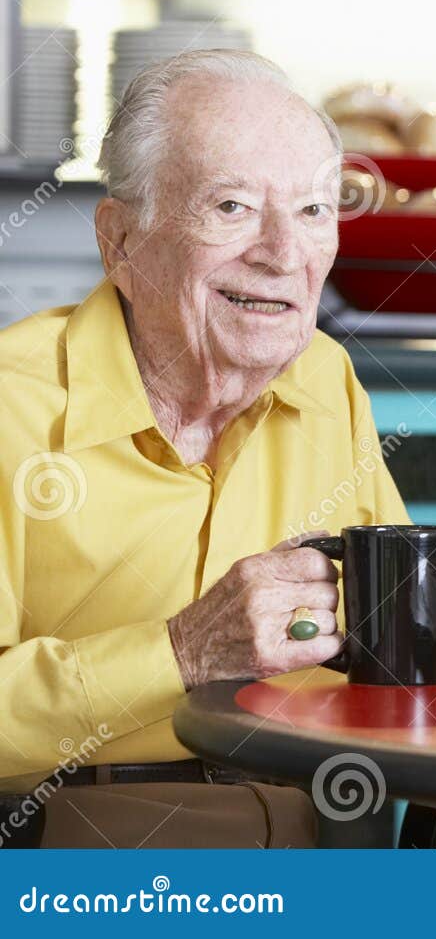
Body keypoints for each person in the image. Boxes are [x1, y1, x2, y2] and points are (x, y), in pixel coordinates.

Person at [0, 50, 408, 847]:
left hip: (328, 823)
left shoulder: (327, 379)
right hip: (88, 837)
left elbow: (396, 636)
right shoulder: (12, 403)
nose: (284, 253)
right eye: (230, 206)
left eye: (315, 211)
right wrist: (179, 652)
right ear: (120, 239)